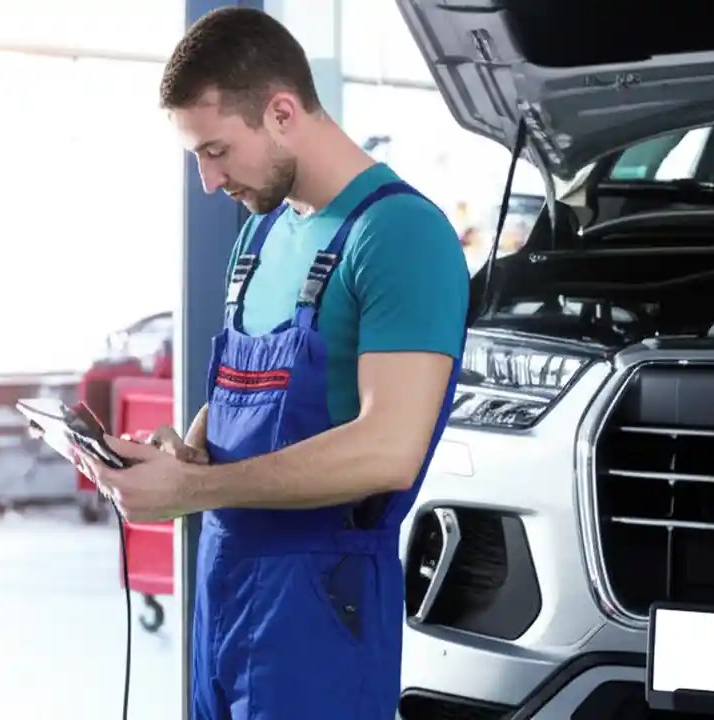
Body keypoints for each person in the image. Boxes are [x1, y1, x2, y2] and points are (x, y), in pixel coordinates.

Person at [74, 7, 469, 719]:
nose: (206, 180)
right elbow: (242, 393)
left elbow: (388, 451)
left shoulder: (400, 236)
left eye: (217, 150)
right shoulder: (259, 237)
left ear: (282, 112)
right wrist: (185, 451)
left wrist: (195, 492)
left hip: (321, 609)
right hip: (222, 589)